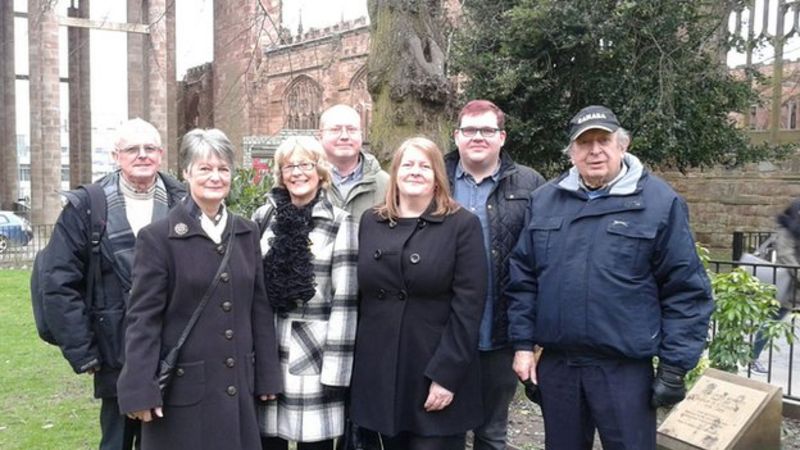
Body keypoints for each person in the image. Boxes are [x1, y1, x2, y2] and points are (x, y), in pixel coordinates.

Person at [507, 105, 714, 449]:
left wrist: (675, 366)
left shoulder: (659, 203)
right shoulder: (544, 202)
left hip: (624, 370)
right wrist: (523, 345)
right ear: (571, 152)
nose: (595, 151)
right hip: (559, 365)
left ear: (622, 145)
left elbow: (685, 291)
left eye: (603, 140)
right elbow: (523, 280)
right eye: (584, 143)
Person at [116, 128, 281, 449]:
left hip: (237, 387)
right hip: (183, 393)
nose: (215, 177)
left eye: (223, 169)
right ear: (186, 173)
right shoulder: (157, 238)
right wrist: (139, 388)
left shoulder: (246, 232)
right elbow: (143, 320)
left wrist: (267, 375)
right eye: (205, 168)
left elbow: (258, 309)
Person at [41, 118, 186, 450]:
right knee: (117, 441)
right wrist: (83, 352)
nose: (142, 155)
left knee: (173, 439)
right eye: (132, 149)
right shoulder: (87, 207)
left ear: (161, 154)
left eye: (150, 148)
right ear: (115, 155)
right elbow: (59, 281)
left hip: (176, 347)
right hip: (114, 351)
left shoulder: (184, 201)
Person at [350, 137, 488, 450]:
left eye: (424, 166)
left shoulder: (462, 225)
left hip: (433, 367)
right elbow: (361, 298)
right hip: (379, 370)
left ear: (437, 176)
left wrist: (446, 375)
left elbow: (469, 307)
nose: (415, 171)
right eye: (408, 164)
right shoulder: (371, 221)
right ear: (395, 173)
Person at [446, 99, 545, 450]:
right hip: (442, 333)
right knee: (443, 430)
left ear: (502, 137)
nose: (478, 137)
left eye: (487, 130)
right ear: (456, 136)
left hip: (499, 332)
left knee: (492, 432)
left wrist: (529, 340)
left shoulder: (530, 184)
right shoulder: (435, 178)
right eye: (470, 130)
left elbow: (538, 261)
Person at [253, 136, 358, 450]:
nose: (297, 172)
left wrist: (337, 373)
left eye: (305, 165)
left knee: (316, 445)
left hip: (315, 354)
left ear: (320, 171)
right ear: (280, 174)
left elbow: (346, 300)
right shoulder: (263, 218)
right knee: (267, 442)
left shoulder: (340, 222)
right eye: (289, 166)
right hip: (268, 349)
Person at [751, 200, 800, 373]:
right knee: (772, 320)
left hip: (794, 286)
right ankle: (752, 358)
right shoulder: (787, 230)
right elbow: (786, 256)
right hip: (787, 285)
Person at [317, 104, 389, 221]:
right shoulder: (304, 180)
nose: (344, 136)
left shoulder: (386, 185)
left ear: (361, 134)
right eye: (335, 130)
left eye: (352, 129)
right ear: (320, 136)